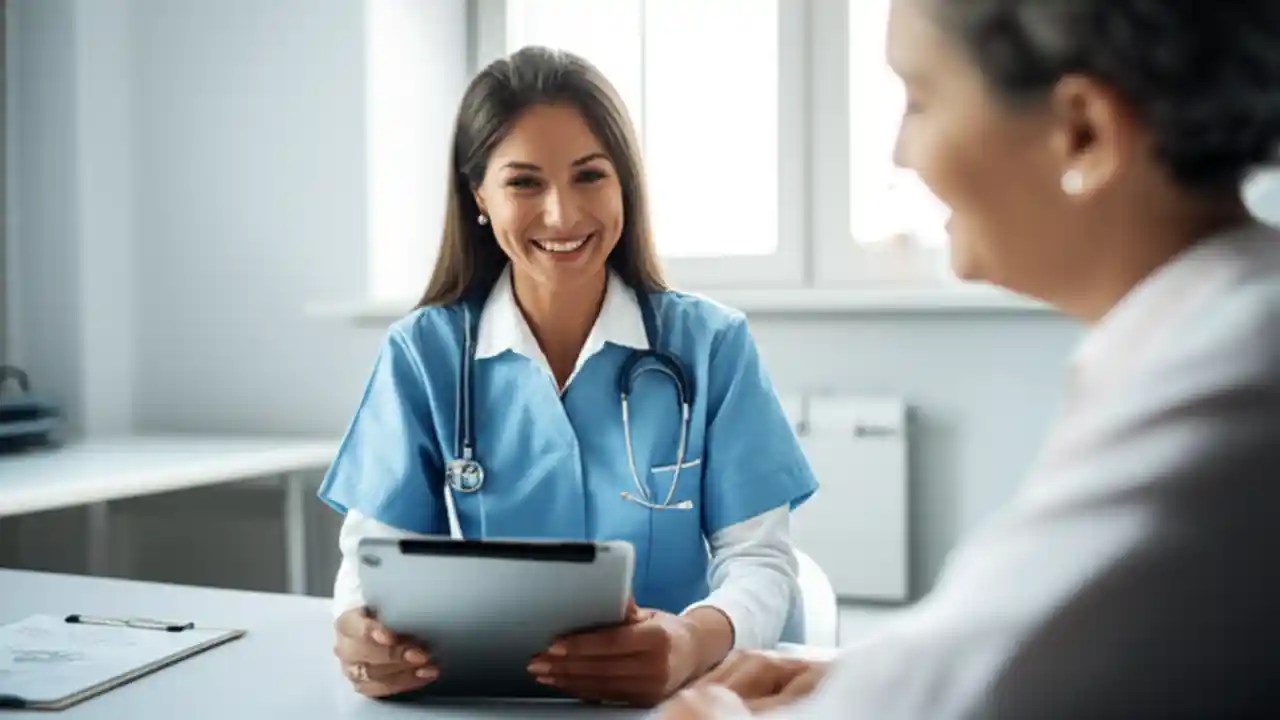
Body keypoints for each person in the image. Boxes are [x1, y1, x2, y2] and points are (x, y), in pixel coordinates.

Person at [660, 0, 1280, 717]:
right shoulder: (1211, 331)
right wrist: (863, 672)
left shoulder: (1228, 386)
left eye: (918, 99)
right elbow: (1066, 640)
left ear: (1083, 132)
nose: (898, 152)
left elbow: (983, 688)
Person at [318, 46, 818, 707]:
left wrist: (690, 643)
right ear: (480, 197)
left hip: (685, 702)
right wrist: (362, 633)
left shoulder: (711, 346)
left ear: (624, 186)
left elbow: (759, 560)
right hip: (493, 703)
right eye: (525, 183)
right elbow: (372, 557)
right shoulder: (424, 354)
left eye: (590, 176)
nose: (562, 214)